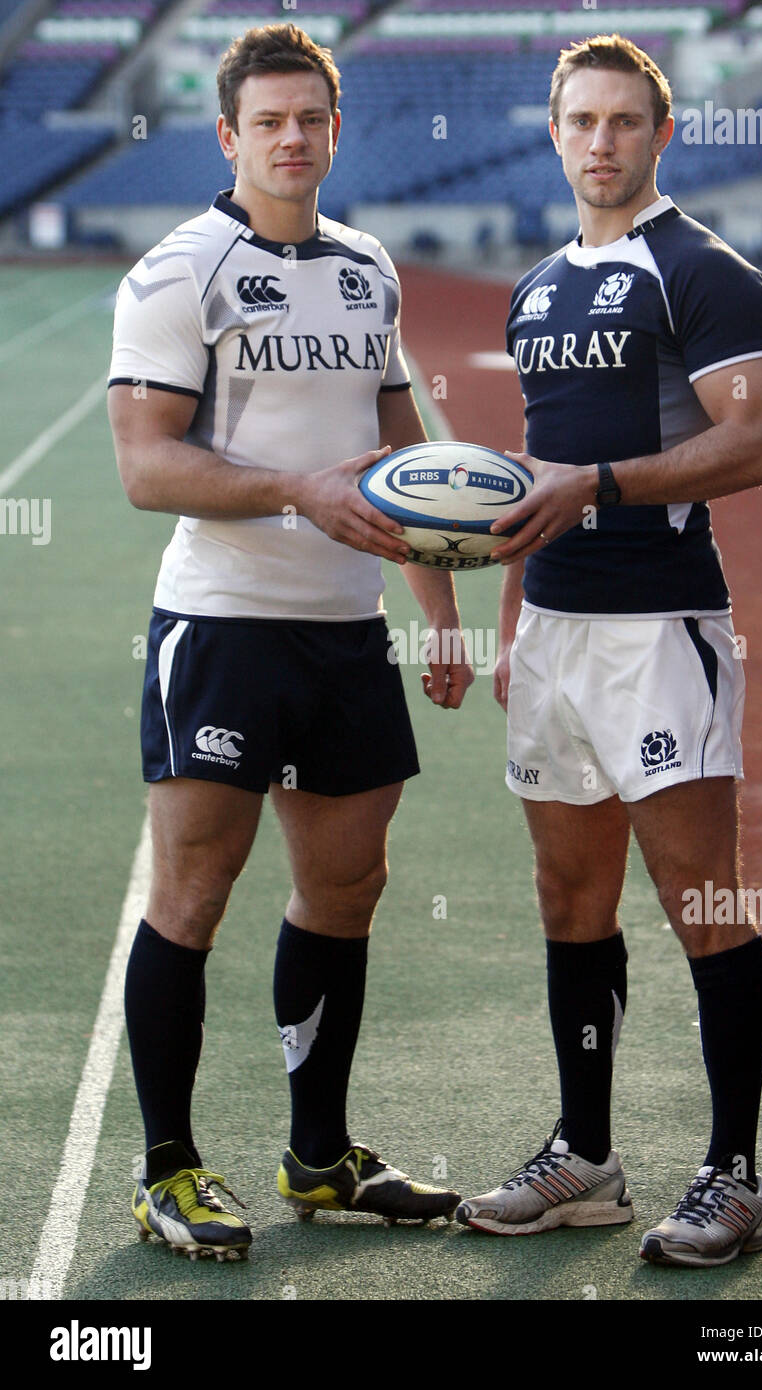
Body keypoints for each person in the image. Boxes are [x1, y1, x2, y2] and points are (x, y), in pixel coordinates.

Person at [107, 22, 473, 1261]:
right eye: (269, 120)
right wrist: (297, 493)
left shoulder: (368, 267)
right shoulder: (178, 272)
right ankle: (169, 1170)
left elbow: (400, 447)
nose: (294, 137)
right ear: (229, 134)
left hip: (347, 632)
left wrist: (440, 607)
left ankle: (320, 1156)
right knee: (196, 892)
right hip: (222, 625)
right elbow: (147, 467)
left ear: (334, 125)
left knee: (348, 888)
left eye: (312, 117)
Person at [455, 33, 762, 1267]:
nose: (601, 142)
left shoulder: (703, 272)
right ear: (555, 134)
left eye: (624, 123)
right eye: (581, 122)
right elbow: (539, 472)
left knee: (702, 898)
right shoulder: (536, 287)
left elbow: (759, 445)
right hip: (554, 630)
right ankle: (586, 1157)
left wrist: (599, 485)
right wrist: (510, 622)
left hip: (660, 628)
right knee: (570, 899)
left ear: (661, 135)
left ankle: (735, 1175)